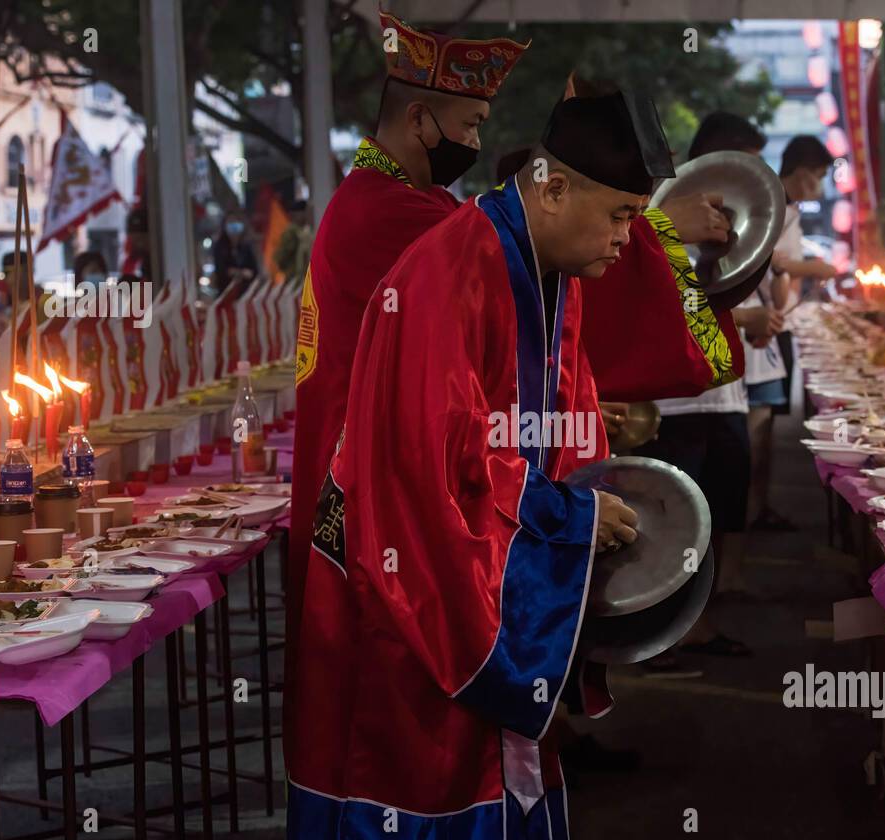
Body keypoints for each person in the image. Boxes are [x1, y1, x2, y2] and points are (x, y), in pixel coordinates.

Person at [287, 89, 681, 840]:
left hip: (489, 578)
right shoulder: (446, 270)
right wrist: (567, 518)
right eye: (621, 216)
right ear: (555, 187)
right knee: (421, 800)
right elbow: (425, 465)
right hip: (412, 594)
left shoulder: (547, 268)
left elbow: (561, 430)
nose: (626, 240)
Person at [286, 12, 738, 672]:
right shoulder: (417, 228)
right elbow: (439, 430)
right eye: (469, 126)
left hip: (385, 474)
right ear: (418, 120)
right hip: (380, 503)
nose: (478, 141)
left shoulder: (422, 213)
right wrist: (564, 512)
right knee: (395, 702)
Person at [634, 112, 781, 676]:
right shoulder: (658, 219)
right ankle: (663, 635)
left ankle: (695, 624)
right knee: (676, 526)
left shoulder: (727, 224)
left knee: (718, 515)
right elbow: (670, 310)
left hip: (723, 397)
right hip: (674, 406)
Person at [748, 135, 837, 532]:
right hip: (760, 324)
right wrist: (814, 270)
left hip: (774, 318)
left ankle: (757, 507)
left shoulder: (789, 208)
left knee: (766, 430)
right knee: (757, 432)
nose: (819, 184)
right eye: (818, 176)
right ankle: (748, 514)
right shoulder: (772, 206)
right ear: (801, 172)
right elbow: (772, 262)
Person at [212, 211, 259, 294]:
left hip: (245, 292)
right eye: (230, 223)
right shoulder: (220, 247)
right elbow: (221, 270)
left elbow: (254, 270)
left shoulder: (245, 247)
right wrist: (241, 273)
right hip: (225, 292)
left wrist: (236, 272)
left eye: (236, 223)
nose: (234, 227)